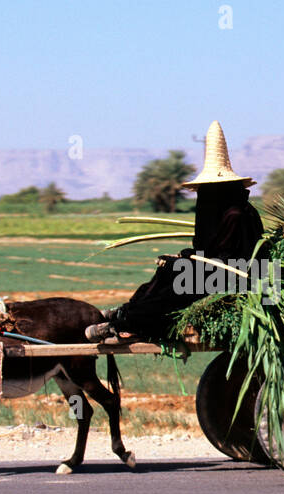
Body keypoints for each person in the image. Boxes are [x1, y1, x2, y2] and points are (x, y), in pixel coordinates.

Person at [86, 121, 264, 342]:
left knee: (177, 285)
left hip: (244, 278)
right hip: (223, 271)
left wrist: (190, 259)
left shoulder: (235, 215)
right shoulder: (227, 211)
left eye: (208, 191)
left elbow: (226, 260)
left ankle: (128, 323)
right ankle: (127, 312)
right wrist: (185, 257)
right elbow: (212, 252)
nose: (204, 198)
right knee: (168, 271)